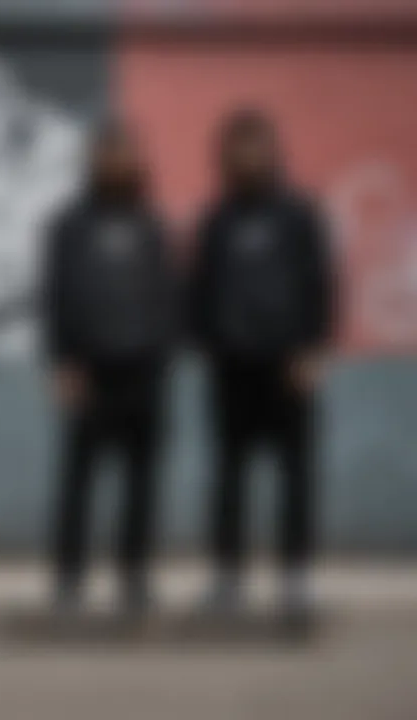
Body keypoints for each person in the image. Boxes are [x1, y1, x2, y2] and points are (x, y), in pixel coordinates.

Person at [190, 110, 336, 619]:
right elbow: (199, 288)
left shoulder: (300, 215)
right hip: (231, 368)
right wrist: (204, 344)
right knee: (229, 476)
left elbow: (321, 284)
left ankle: (296, 578)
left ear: (274, 151)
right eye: (238, 146)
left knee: (296, 475)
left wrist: (313, 349)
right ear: (225, 155)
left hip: (288, 366)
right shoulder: (216, 219)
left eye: (257, 145)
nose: (248, 155)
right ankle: (227, 579)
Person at [43, 121, 180, 616]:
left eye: (125, 154)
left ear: (138, 163)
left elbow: (168, 297)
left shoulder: (153, 225)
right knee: (78, 482)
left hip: (144, 371)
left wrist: (163, 358)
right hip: (89, 373)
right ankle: (68, 581)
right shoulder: (68, 225)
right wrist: (62, 362)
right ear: (92, 162)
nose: (116, 162)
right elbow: (55, 297)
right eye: (107, 154)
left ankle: (134, 578)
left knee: (142, 484)